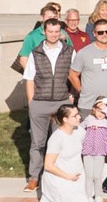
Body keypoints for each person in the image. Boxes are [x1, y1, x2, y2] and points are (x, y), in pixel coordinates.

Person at [26, 11, 80, 195]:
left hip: (61, 103)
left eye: (57, 31)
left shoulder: (69, 51)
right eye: (50, 31)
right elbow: (29, 79)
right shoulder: (36, 52)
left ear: (60, 32)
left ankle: (59, 175)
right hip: (39, 103)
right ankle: (34, 177)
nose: (54, 35)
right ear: (44, 31)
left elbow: (75, 75)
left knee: (61, 142)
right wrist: (31, 103)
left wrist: (72, 95)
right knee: (38, 143)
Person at [43, 104, 90, 202]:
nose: (79, 117)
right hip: (60, 181)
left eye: (78, 114)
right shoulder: (56, 139)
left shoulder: (79, 131)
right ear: (65, 119)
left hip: (77, 179)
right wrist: (68, 177)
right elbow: (48, 165)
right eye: (75, 116)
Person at [82, 96, 107, 202]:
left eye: (104, 112)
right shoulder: (88, 119)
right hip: (88, 151)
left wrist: (104, 108)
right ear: (93, 109)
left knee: (97, 176)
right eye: (98, 111)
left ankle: (98, 195)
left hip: (100, 152)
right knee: (89, 176)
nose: (101, 113)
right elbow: (80, 128)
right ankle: (88, 196)